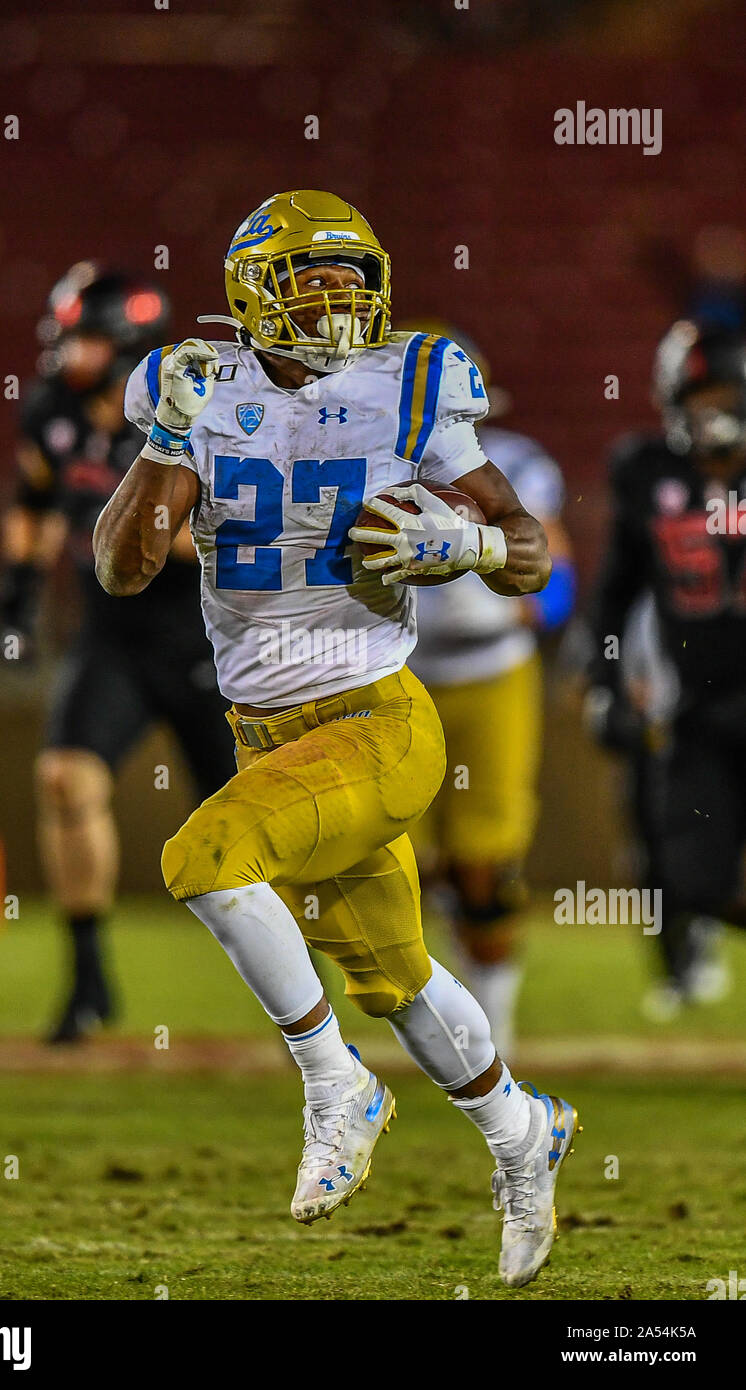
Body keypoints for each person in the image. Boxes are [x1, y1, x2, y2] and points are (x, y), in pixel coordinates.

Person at [95, 190, 580, 1289]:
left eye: (350, 281)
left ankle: (333, 1087)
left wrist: (463, 542)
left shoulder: (408, 383)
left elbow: (531, 551)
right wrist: (165, 439)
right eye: (310, 280)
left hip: (378, 718)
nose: (336, 302)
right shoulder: (201, 388)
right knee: (399, 980)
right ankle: (518, 1129)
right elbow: (124, 569)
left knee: (202, 862)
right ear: (252, 292)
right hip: (270, 735)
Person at [0, 263, 235, 1043]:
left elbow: (229, 537)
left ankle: (310, 1005)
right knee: (65, 779)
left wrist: (146, 539)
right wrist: (20, 590)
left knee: (248, 835)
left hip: (209, 640)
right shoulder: (55, 411)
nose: (70, 350)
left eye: (88, 336)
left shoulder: (208, 416)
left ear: (129, 344)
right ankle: (89, 977)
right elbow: (35, 501)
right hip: (115, 638)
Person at [404, 325, 574, 1056]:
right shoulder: (372, 463)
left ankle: (492, 1030)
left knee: (488, 862)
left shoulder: (517, 465)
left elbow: (557, 575)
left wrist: (533, 600)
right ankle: (440, 1000)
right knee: (394, 863)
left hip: (492, 667)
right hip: (395, 670)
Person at [585, 320, 746, 1011]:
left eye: (725, 393)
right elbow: (615, 590)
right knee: (688, 878)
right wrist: (606, 678)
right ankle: (684, 955)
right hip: (700, 704)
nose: (712, 409)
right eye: (699, 394)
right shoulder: (647, 471)